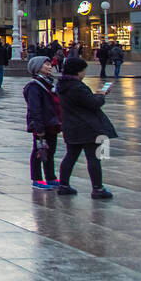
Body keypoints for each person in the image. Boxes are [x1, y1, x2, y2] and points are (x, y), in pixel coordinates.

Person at [55, 57, 117, 200]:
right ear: (78, 71)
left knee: (70, 156)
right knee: (94, 158)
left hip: (71, 126)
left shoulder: (62, 85)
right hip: (87, 127)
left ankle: (63, 185)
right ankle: (97, 188)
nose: (84, 73)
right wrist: (101, 95)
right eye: (83, 70)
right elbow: (93, 103)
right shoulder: (77, 87)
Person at [23, 56, 61, 190]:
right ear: (37, 67)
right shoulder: (34, 86)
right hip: (41, 124)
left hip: (52, 123)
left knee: (50, 151)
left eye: (50, 64)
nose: (50, 67)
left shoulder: (49, 83)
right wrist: (38, 126)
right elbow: (34, 107)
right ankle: (37, 178)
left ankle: (51, 177)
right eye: (46, 65)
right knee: (39, 151)